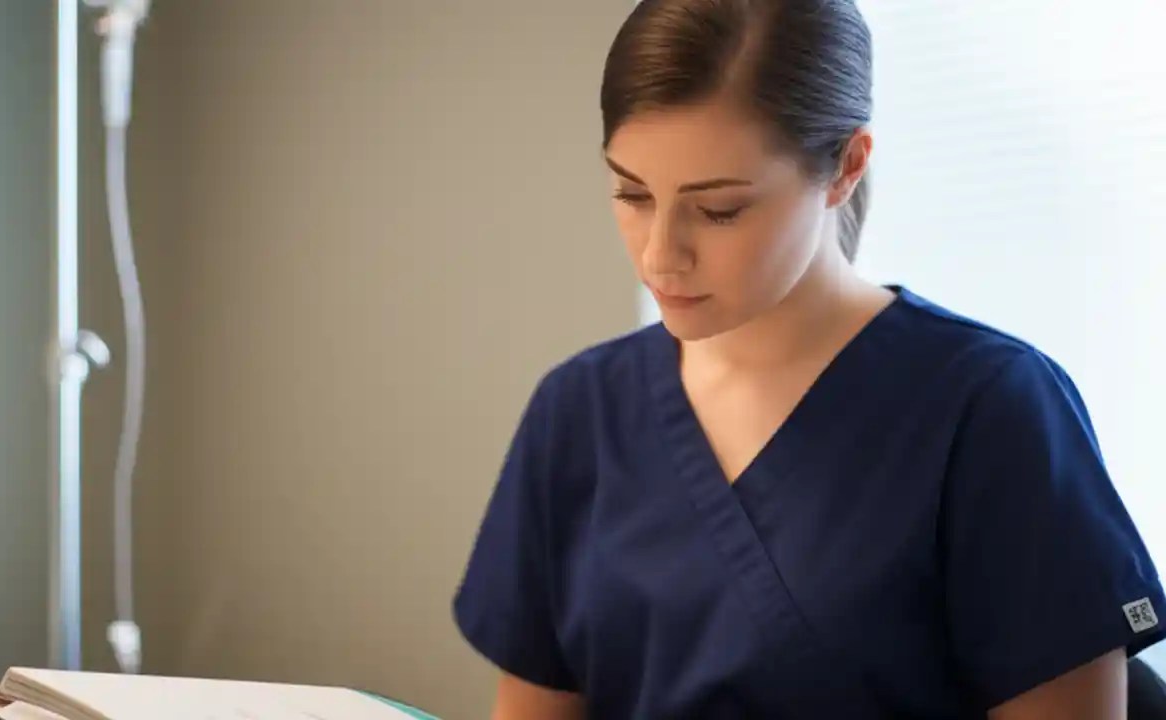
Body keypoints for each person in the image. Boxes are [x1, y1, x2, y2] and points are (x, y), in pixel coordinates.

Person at [452, 0, 1166, 717]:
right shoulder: (578, 409)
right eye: (631, 193)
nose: (659, 254)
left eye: (720, 209)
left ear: (845, 168)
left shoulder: (990, 407)